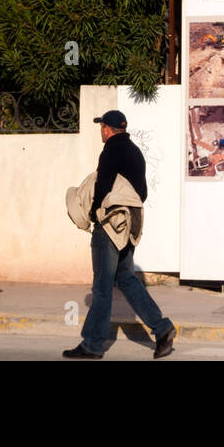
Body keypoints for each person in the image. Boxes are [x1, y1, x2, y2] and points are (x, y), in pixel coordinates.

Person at [63, 110, 175, 360]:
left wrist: (94, 213)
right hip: (129, 225)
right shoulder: (135, 152)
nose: (101, 131)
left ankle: (92, 344)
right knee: (126, 279)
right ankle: (162, 328)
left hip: (110, 225)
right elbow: (142, 193)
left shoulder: (111, 150)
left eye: (101, 126)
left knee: (102, 287)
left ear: (106, 128)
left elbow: (103, 185)